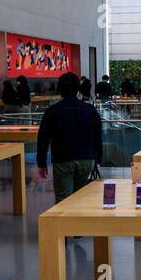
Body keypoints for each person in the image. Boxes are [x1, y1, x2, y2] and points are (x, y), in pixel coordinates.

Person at [37, 72, 102, 202]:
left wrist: (42, 163)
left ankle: (65, 222)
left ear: (60, 90)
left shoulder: (52, 111)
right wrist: (98, 159)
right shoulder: (90, 110)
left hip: (63, 159)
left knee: (63, 200)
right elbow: (97, 136)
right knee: (80, 199)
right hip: (86, 159)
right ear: (78, 89)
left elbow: (43, 138)